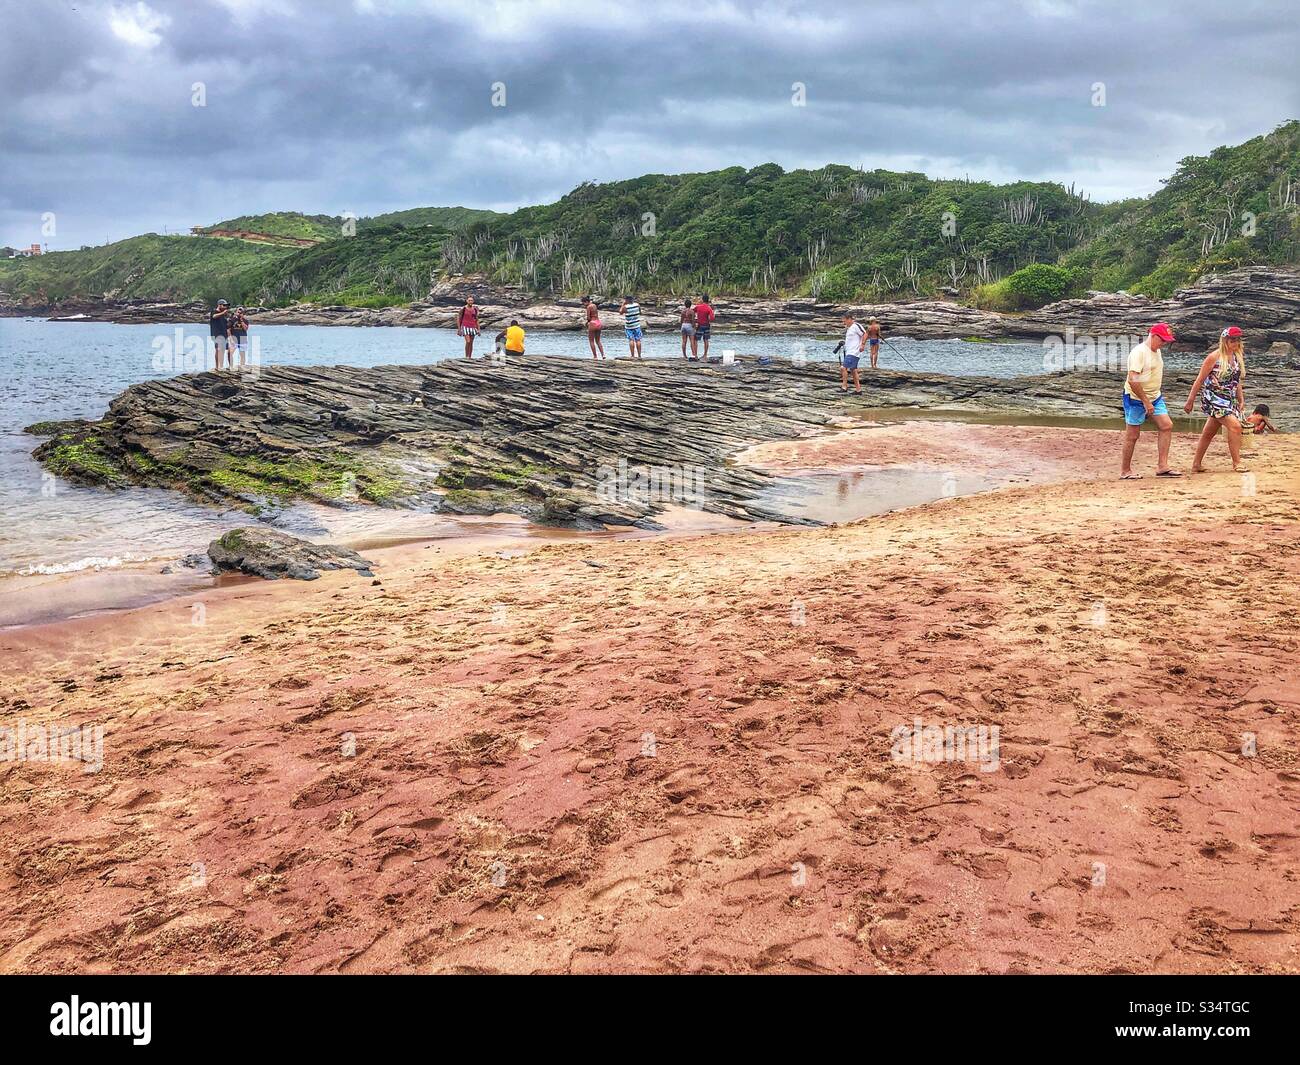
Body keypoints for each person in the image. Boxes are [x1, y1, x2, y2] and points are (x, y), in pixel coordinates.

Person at [1120, 322, 1180, 479]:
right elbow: (1133, 380)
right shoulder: (1139, 352)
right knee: (1132, 435)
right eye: (1163, 340)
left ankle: (1162, 466)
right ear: (1153, 336)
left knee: (1166, 425)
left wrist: (1151, 399)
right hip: (1135, 398)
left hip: (1155, 396)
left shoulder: (1156, 350)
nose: (1165, 344)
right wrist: (1146, 402)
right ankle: (1125, 471)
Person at [1184, 326, 1248, 472]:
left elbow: (1236, 381)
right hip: (1214, 399)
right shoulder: (1214, 357)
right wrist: (1190, 400)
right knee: (1235, 427)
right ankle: (1237, 463)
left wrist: (1241, 399)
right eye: (1232, 339)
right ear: (1224, 340)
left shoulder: (1237, 357)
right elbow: (1199, 380)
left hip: (1228, 399)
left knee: (1208, 433)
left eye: (1238, 339)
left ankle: (1196, 464)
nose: (1235, 342)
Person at [840, 313, 865, 393]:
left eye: (844, 321)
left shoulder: (856, 326)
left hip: (854, 352)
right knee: (853, 370)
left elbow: (865, 334)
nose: (844, 323)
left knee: (843, 368)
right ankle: (858, 390)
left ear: (849, 319)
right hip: (849, 352)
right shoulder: (849, 328)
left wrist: (862, 345)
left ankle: (844, 387)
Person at [209, 299, 231, 370]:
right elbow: (214, 316)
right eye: (224, 305)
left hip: (224, 334)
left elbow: (227, 326)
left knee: (227, 350)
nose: (225, 307)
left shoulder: (223, 315)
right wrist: (223, 313)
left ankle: (229, 366)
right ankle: (217, 366)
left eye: (226, 306)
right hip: (217, 334)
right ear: (219, 305)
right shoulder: (214, 311)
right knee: (218, 350)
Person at [692, 294, 715, 360]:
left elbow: (692, 312)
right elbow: (712, 318)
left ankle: (695, 355)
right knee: (706, 340)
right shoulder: (709, 308)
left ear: (702, 300)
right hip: (707, 325)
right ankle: (705, 355)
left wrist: (695, 320)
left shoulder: (698, 307)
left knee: (696, 340)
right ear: (708, 300)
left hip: (700, 325)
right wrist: (708, 320)